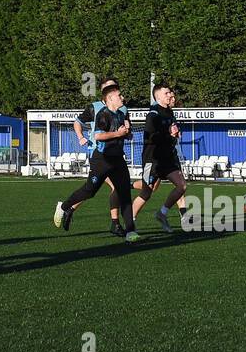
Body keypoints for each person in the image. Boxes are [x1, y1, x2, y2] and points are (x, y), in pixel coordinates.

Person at [53, 80, 139, 242]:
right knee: (90, 191)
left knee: (124, 193)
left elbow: (127, 134)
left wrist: (127, 132)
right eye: (118, 94)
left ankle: (130, 231)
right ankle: (64, 207)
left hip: (118, 158)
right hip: (102, 158)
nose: (122, 96)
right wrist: (81, 137)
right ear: (109, 97)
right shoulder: (101, 113)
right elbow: (98, 135)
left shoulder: (122, 112)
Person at [125, 83, 186, 233]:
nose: (170, 95)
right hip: (153, 159)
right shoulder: (153, 115)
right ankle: (130, 224)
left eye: (170, 92)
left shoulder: (169, 112)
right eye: (166, 93)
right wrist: (168, 133)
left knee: (182, 185)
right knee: (147, 192)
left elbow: (173, 130)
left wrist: (176, 133)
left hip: (168, 158)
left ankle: (162, 213)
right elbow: (150, 137)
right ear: (157, 96)